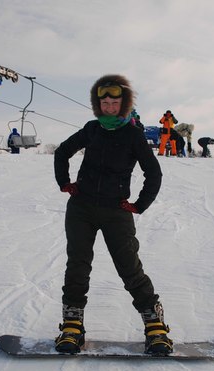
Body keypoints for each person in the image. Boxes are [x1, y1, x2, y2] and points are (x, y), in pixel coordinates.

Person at [53, 74, 173, 356]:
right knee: (77, 265)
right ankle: (72, 326)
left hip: (115, 211)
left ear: (124, 104)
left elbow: (153, 173)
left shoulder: (133, 134)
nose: (109, 108)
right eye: (104, 103)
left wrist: (139, 204)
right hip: (81, 208)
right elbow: (62, 152)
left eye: (114, 103)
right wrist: (64, 182)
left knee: (129, 267)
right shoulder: (92, 129)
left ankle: (155, 326)